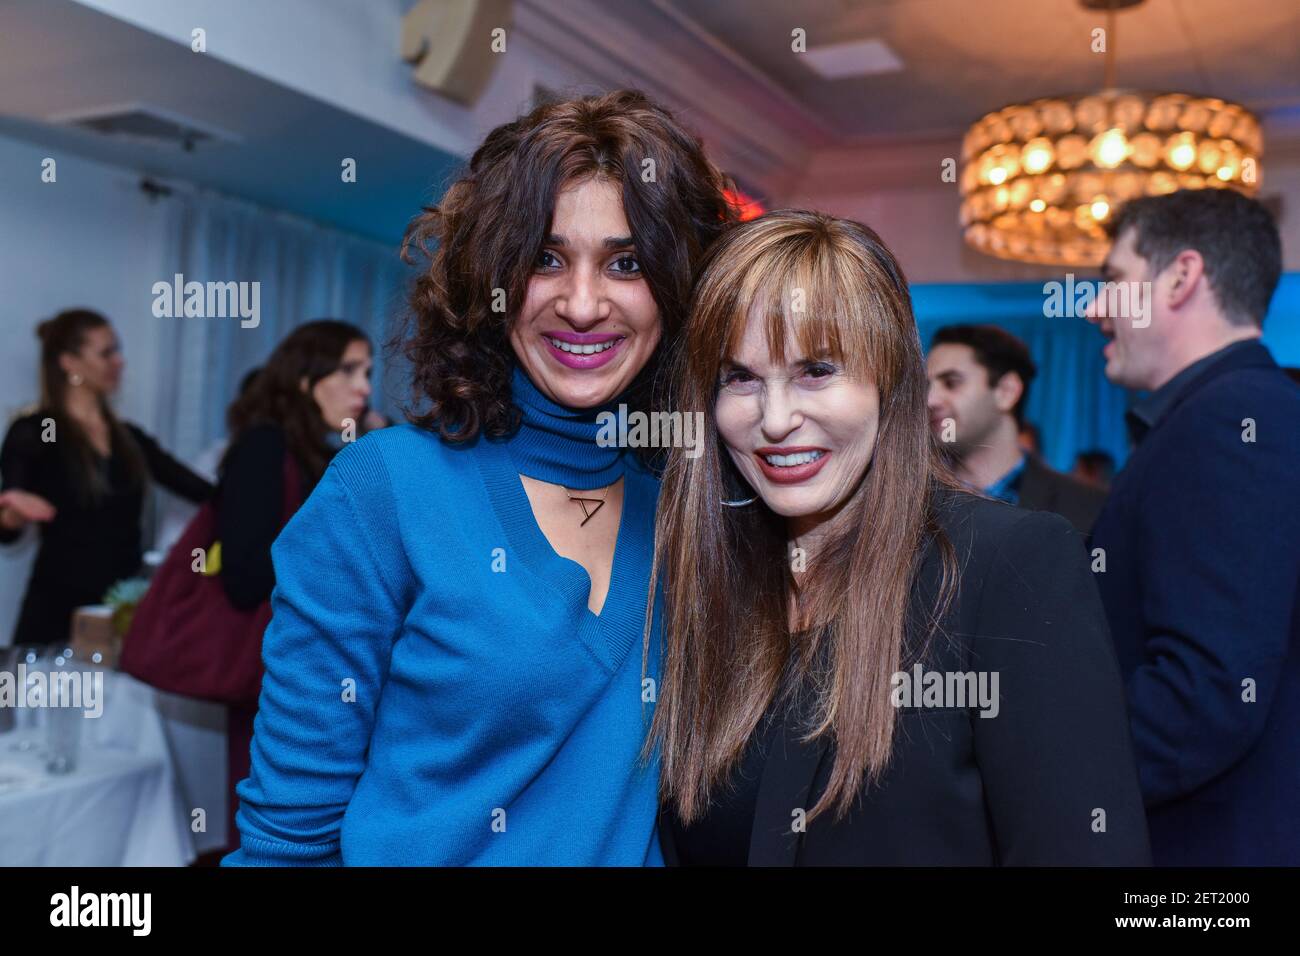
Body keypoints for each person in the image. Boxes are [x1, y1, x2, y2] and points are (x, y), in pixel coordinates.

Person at [222, 90, 735, 866]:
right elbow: (286, 841)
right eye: (545, 258)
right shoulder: (385, 491)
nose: (584, 303)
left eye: (626, 262)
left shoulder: (692, 505)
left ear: (677, 286)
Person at [653, 210, 1150, 866]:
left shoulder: (1008, 565)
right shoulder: (707, 584)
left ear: (890, 380)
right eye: (740, 377)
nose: (774, 421)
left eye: (816, 370)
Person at [1085, 188, 1300, 865]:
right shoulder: (1246, 409)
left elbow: (1203, 696)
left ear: (1180, 276)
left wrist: (1047, 785)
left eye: (1113, 281)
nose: (1093, 309)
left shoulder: (1227, 420)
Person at [213, 320, 376, 852]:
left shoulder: (319, 450)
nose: (364, 387)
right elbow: (243, 575)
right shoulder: (265, 446)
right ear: (306, 379)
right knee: (274, 824)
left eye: (369, 373)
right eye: (349, 370)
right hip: (272, 676)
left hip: (304, 672)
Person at [0, 309, 213, 646]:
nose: (119, 362)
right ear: (69, 362)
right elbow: (7, 525)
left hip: (122, 606)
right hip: (59, 608)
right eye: (106, 353)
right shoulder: (44, 429)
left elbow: (203, 492)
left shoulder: (129, 439)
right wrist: (13, 513)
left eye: (118, 350)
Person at [926, 323, 1105, 533]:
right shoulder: (912, 501)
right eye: (926, 386)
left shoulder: (1087, 506)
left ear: (1006, 391)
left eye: (951, 382)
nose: (930, 400)